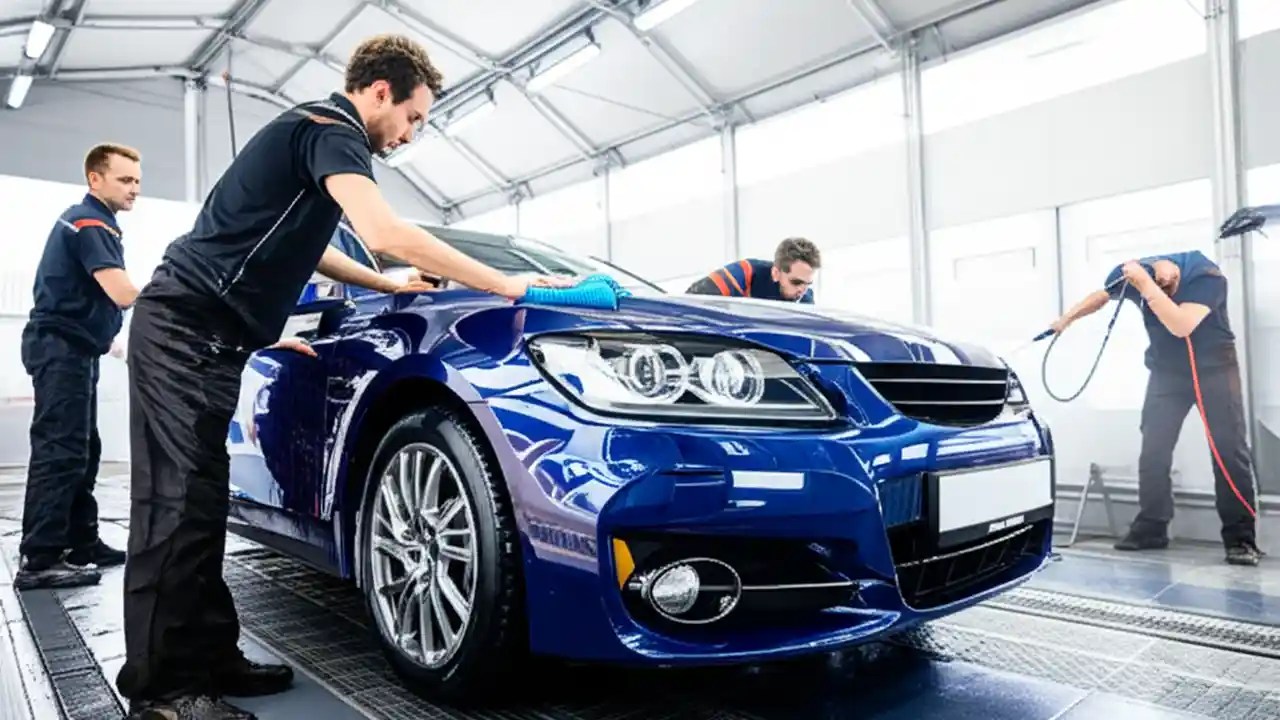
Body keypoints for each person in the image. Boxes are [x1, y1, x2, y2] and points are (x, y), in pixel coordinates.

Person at [114, 34, 569, 720]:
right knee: (173, 512)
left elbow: (316, 248)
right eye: (414, 117)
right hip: (183, 329)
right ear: (381, 92)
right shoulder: (330, 128)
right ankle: (165, 692)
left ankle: (211, 660)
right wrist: (508, 286)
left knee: (201, 511)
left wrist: (385, 283)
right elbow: (384, 230)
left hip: (211, 337)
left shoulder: (311, 140)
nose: (411, 135)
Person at [1051, 250, 1262, 567]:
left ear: (1174, 276)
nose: (1159, 295)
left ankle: (1241, 540)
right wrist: (1067, 318)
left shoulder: (1207, 277)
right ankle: (1151, 527)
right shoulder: (1132, 272)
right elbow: (1102, 295)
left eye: (1165, 290)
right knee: (1153, 450)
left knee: (1229, 451)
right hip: (1166, 372)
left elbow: (1180, 326)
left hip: (1215, 370)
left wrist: (1146, 286)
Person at [14, 143, 142, 591]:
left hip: (76, 349)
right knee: (61, 449)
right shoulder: (88, 221)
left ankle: (81, 541)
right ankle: (40, 558)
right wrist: (177, 299)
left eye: (137, 181)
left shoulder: (99, 223)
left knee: (83, 448)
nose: (134, 189)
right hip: (59, 349)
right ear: (95, 179)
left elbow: (92, 299)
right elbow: (122, 292)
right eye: (125, 180)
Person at [686, 237, 821, 303]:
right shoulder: (744, 273)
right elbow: (690, 301)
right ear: (776, 273)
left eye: (807, 284)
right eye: (796, 282)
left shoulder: (805, 302)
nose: (802, 290)